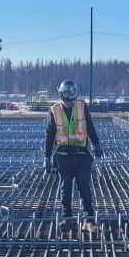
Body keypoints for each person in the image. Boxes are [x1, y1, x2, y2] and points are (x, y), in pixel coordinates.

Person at [44, 79, 103, 233]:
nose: (69, 103)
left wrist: (96, 144)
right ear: (61, 95)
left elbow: (90, 125)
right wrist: (47, 158)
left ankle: (89, 220)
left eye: (72, 99)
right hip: (63, 156)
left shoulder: (81, 106)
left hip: (81, 154)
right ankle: (67, 219)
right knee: (66, 188)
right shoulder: (54, 110)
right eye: (66, 99)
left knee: (84, 187)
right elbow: (49, 135)